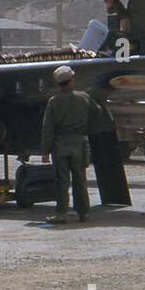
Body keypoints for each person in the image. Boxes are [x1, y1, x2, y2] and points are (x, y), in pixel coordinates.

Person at [39, 64, 100, 224]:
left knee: (62, 180)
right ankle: (84, 213)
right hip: (79, 143)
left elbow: (47, 128)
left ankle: (61, 213)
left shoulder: (53, 101)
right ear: (71, 80)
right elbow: (98, 114)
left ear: (58, 83)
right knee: (80, 179)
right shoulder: (84, 97)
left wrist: (45, 151)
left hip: (60, 145)